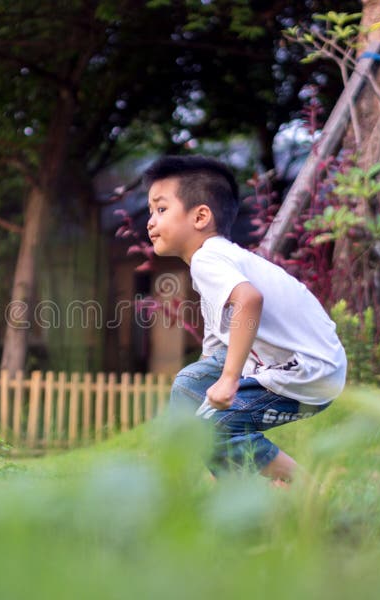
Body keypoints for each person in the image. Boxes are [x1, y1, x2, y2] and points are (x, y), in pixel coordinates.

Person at [144, 155, 346, 483]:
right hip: (297, 359)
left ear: (200, 216)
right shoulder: (218, 259)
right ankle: (191, 478)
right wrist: (213, 380)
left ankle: (307, 488)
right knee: (188, 385)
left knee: (215, 427)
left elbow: (249, 301)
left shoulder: (209, 259)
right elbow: (215, 345)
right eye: (151, 211)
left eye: (161, 209)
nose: (150, 221)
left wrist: (228, 379)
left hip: (307, 370)